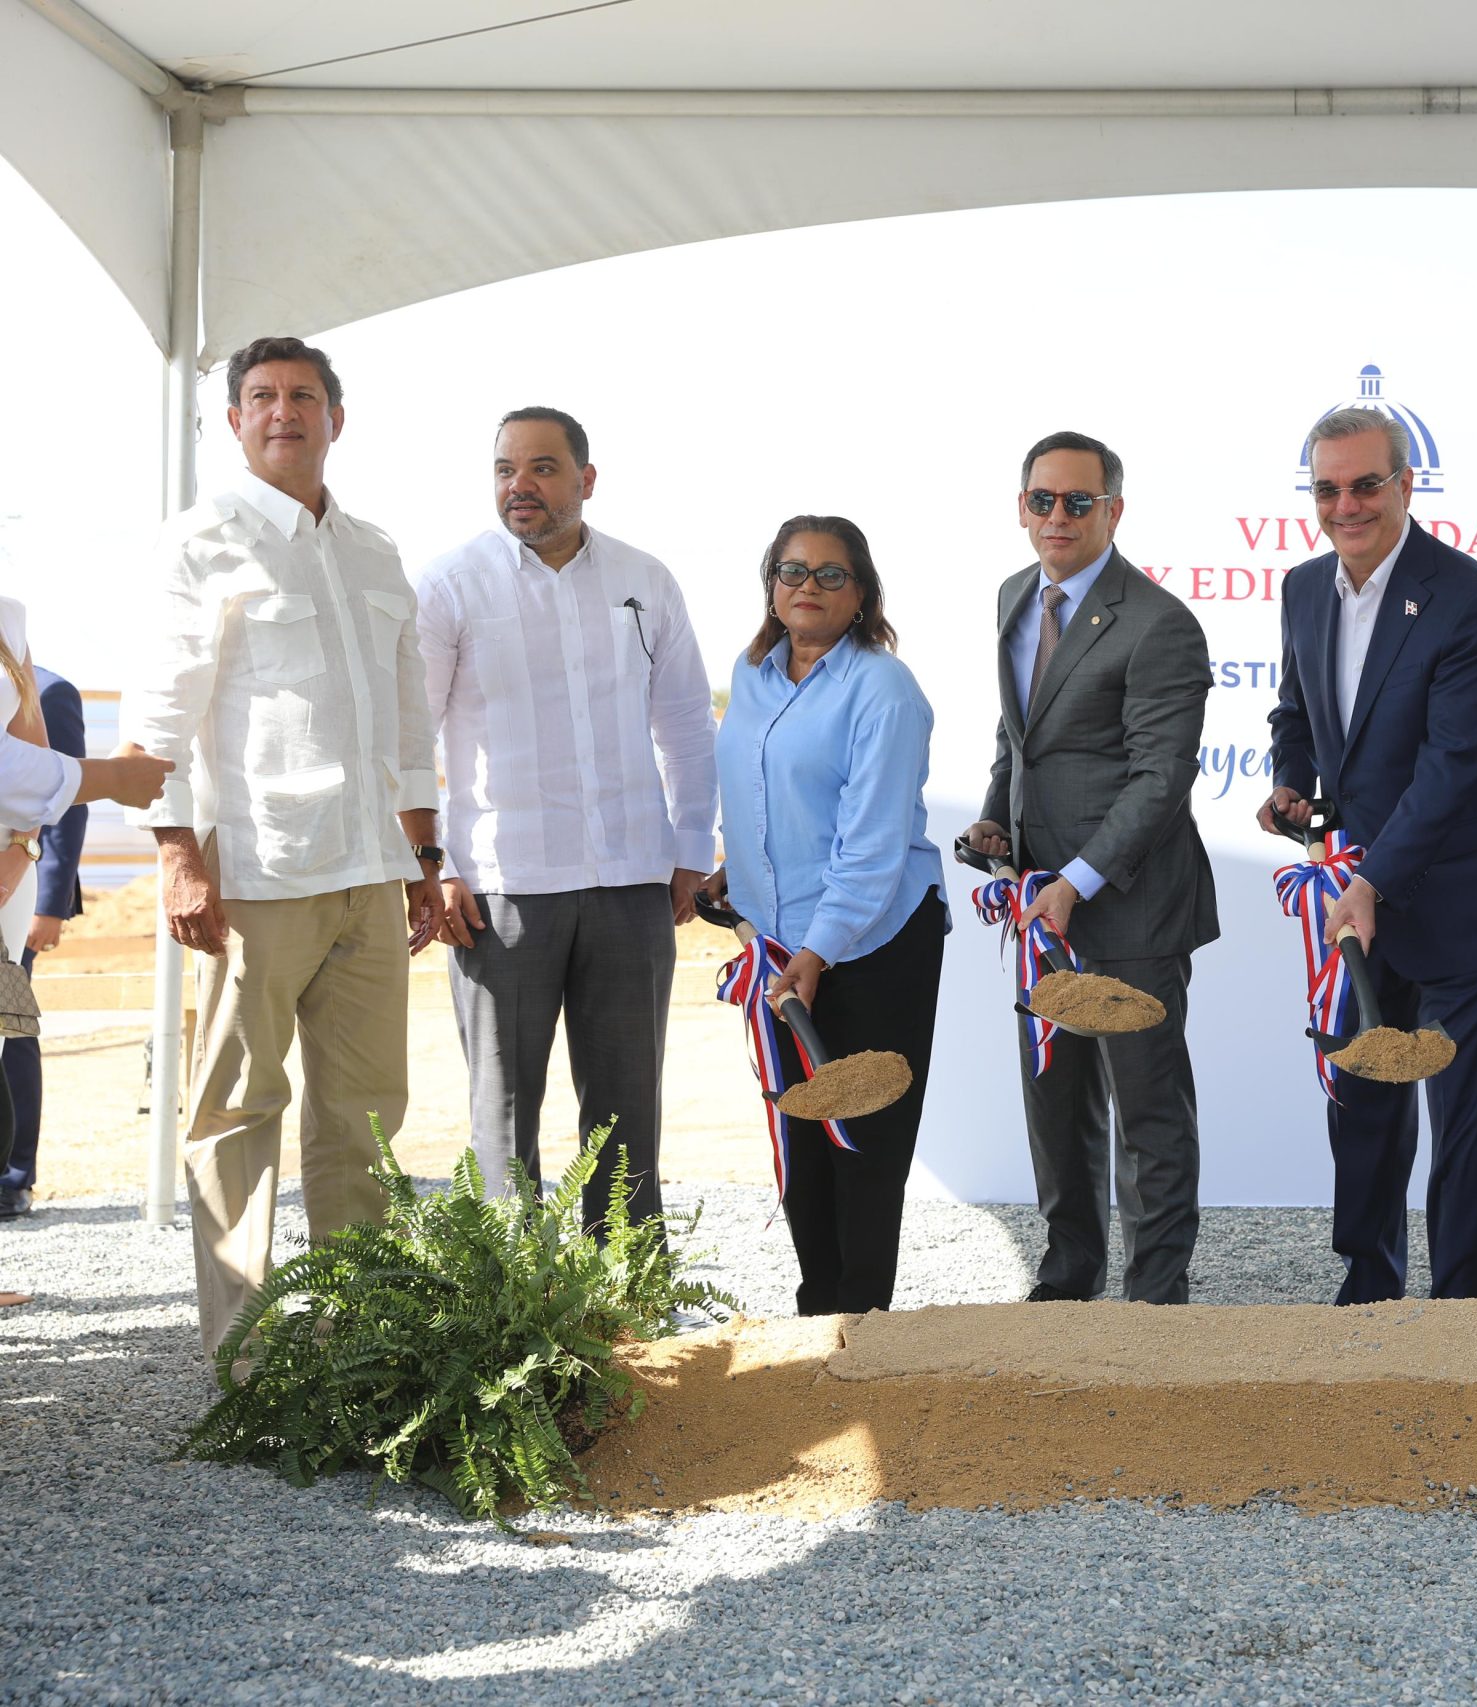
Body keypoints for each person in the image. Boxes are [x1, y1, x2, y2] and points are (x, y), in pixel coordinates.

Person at [121, 335, 446, 1363]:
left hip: (370, 877)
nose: (282, 411)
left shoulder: (376, 550)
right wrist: (177, 854)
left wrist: (425, 860)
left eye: (302, 395)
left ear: (335, 418)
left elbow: (407, 719)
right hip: (256, 876)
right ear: (234, 423)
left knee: (365, 1121)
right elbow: (161, 708)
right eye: (260, 397)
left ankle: (360, 1354)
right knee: (236, 1113)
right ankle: (249, 1366)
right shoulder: (202, 540)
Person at [1263, 409, 1477, 1304]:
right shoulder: (1304, 589)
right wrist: (1290, 779)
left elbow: (1455, 765)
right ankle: (1368, 1293)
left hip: (1456, 900)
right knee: (1365, 1110)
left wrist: (1374, 877)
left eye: (1365, 485)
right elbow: (1295, 712)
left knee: (1459, 1123)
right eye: (1328, 488)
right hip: (1359, 903)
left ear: (1406, 484)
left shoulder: (1469, 597)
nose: (1347, 505)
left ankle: (1462, 1308)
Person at [417, 407, 717, 1233]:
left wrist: (690, 845)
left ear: (586, 479)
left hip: (630, 881)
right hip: (501, 888)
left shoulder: (644, 579)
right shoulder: (450, 585)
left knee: (626, 1107)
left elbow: (686, 719)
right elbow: (411, 735)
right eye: (506, 469)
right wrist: (433, 864)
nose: (521, 485)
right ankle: (514, 1308)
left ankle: (628, 1295)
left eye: (543, 467)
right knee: (502, 1113)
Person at [965, 432, 1216, 1307]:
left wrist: (1076, 880)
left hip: (1128, 909)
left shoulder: (1160, 622)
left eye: (1079, 501)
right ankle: (1068, 1283)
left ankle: (1154, 1305)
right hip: (1041, 907)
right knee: (1057, 1109)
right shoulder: (1012, 597)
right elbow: (1018, 739)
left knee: (1147, 1114)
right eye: (1043, 499)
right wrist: (998, 820)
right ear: (1022, 505)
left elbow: (1161, 779)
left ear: (1114, 508)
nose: (1058, 516)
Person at [706, 516, 946, 1315]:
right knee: (802, 1139)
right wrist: (735, 873)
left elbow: (872, 846)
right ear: (771, 585)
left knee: (864, 1146)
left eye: (830, 574)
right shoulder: (756, 677)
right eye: (791, 570)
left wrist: (818, 951)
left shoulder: (883, 689)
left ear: (863, 594)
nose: (807, 585)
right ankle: (818, 1314)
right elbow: (762, 800)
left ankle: (864, 1325)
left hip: (871, 947)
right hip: (782, 950)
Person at [0, 658, 89, 1219]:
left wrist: (50, 904)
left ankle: (13, 1175)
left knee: (12, 1027)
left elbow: (67, 804)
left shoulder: (52, 692)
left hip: (20, 892)